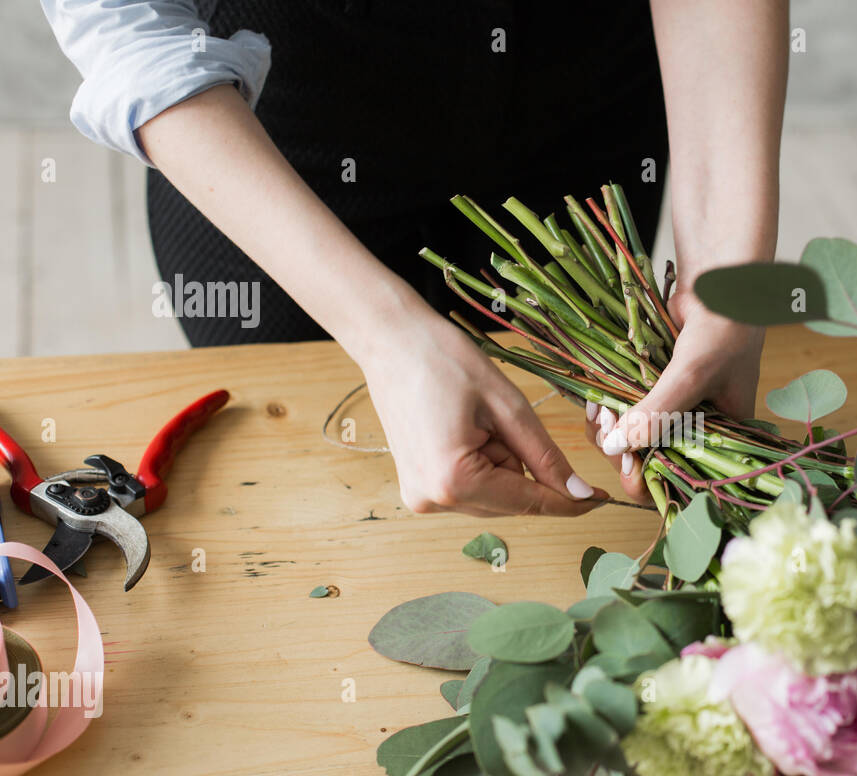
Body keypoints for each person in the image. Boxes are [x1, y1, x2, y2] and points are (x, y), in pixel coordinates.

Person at [42, 0, 789, 517]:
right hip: (275, 128)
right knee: (305, 482)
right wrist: (381, 331)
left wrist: (729, 267)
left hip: (589, 87)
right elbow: (124, 28)